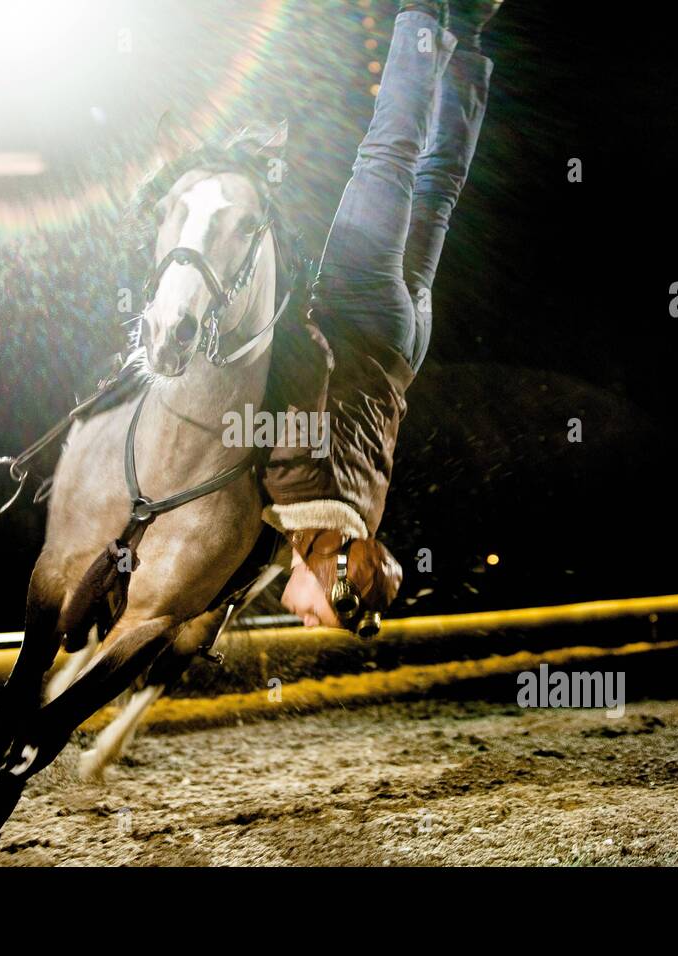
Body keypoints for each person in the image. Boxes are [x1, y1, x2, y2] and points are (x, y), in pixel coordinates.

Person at [263, 0, 499, 631]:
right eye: (324, 618)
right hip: (357, 313)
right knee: (388, 155)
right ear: (334, 579)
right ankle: (424, 15)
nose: (310, 623)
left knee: (438, 188)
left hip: (403, 344)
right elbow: (302, 363)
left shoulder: (359, 517)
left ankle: (468, 38)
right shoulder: (296, 494)